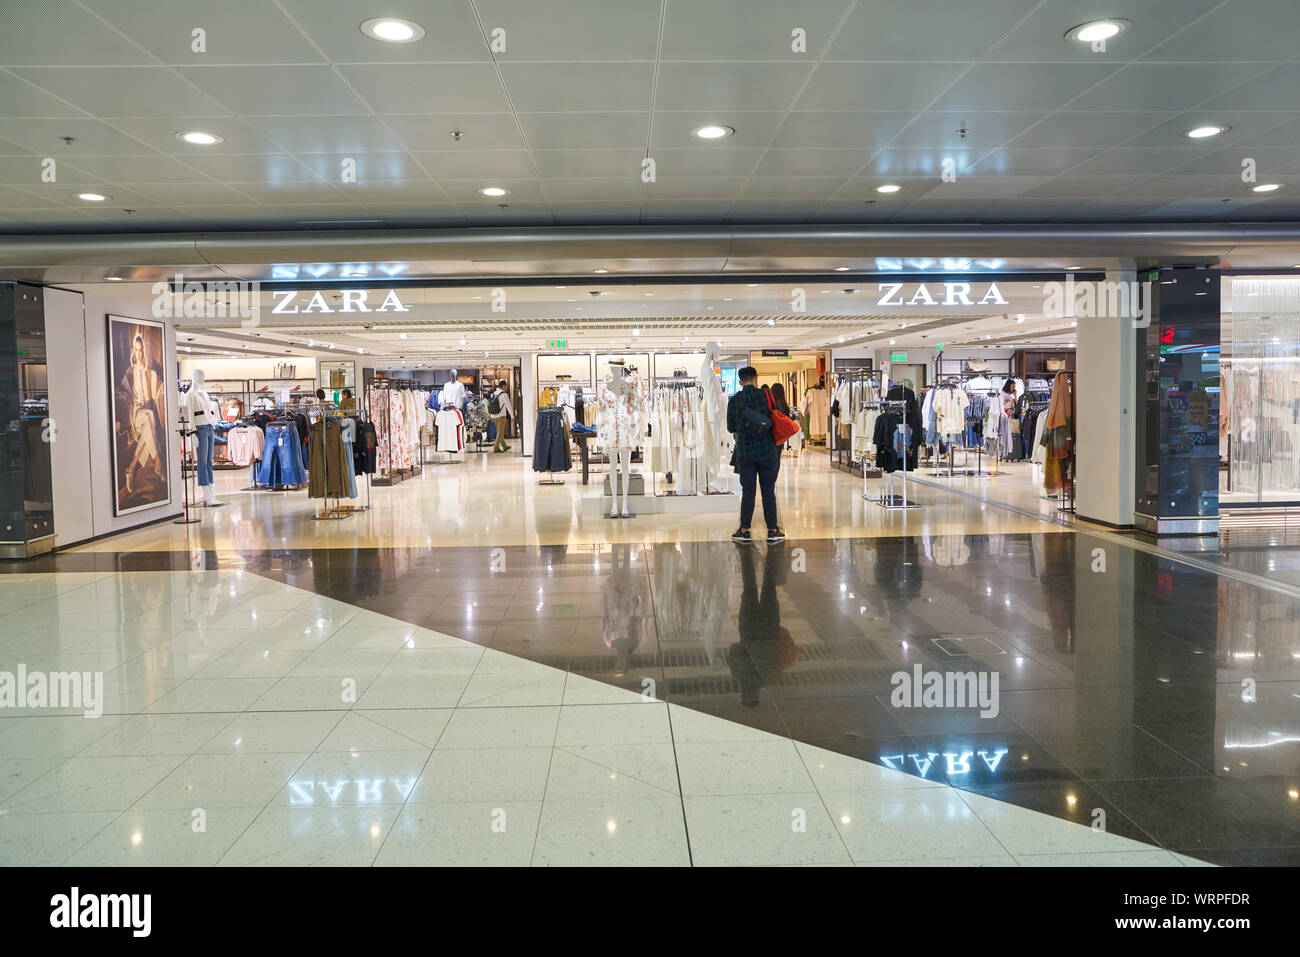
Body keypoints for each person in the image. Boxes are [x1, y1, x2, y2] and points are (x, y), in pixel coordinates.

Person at [727, 367, 783, 545]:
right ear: (756, 379)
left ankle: (744, 531)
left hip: (745, 452)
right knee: (768, 491)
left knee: (748, 491)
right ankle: (773, 531)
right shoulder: (766, 396)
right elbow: (778, 416)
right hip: (767, 450)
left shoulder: (735, 400)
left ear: (740, 381)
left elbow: (730, 427)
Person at [490, 379, 514, 452]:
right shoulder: (504, 395)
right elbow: (508, 406)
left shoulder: (493, 394)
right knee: (500, 433)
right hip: (501, 416)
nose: (506, 388)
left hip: (494, 415)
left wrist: (491, 416)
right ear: (503, 386)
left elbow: (490, 406)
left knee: (499, 432)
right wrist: (512, 416)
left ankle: (504, 446)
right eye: (506, 386)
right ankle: (496, 448)